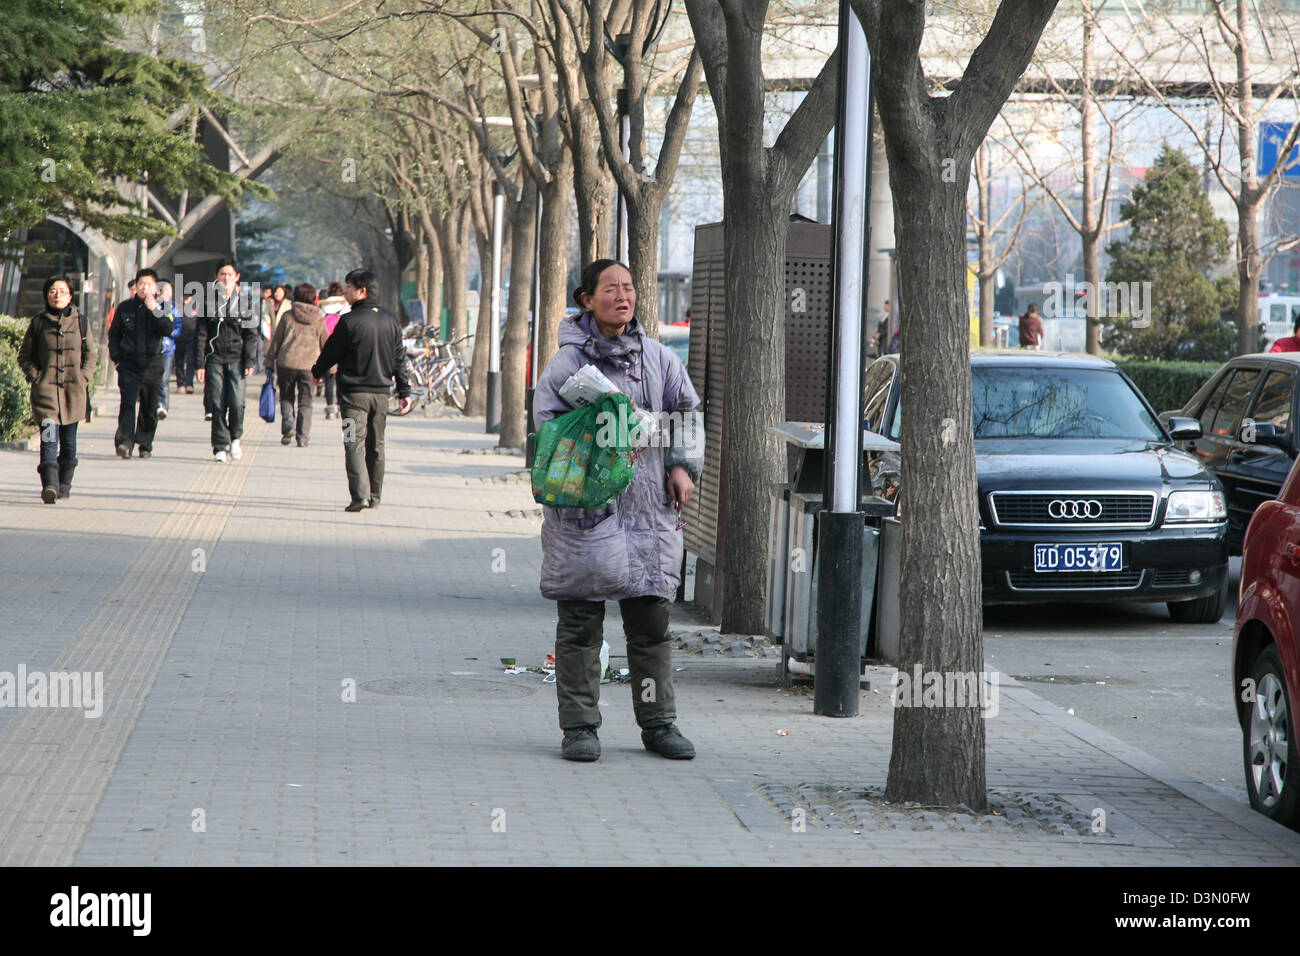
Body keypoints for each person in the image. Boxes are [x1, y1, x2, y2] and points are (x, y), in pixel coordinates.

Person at [532, 259, 704, 763]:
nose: (622, 296)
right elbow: (547, 438)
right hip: (587, 516)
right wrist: (600, 443)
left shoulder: (658, 358)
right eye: (611, 289)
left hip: (650, 512)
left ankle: (658, 724)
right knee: (581, 627)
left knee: (651, 626)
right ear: (587, 299)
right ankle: (580, 727)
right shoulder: (565, 366)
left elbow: (686, 413)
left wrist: (682, 467)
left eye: (629, 287)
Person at [310, 269, 412, 511]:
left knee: (352, 443)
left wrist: (317, 372)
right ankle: (375, 497)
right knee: (377, 445)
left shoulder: (349, 321)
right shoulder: (391, 321)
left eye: (349, 287)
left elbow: (330, 353)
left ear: (362, 290)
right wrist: (405, 390)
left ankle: (359, 497)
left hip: (352, 395)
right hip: (381, 395)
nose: (346, 291)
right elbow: (400, 359)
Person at [17, 276, 96, 501]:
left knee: (69, 444)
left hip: (74, 394)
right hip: (47, 396)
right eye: (53, 290)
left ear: (70, 295)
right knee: (49, 439)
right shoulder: (38, 323)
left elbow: (91, 354)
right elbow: (24, 355)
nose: (57, 294)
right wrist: (36, 377)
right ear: (46, 295)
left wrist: (84, 376)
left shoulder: (82, 322)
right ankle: (49, 486)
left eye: (62, 290)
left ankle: (64, 485)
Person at [107, 268, 173, 459]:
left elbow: (167, 329)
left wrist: (154, 309)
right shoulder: (125, 307)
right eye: (141, 284)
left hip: (152, 364)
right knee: (127, 404)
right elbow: (114, 334)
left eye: (149, 284)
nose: (145, 287)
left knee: (149, 406)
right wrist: (117, 358)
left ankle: (145, 443)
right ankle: (124, 442)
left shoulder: (161, 307)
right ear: (135, 286)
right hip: (128, 364)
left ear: (156, 288)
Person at [196, 259, 258, 463]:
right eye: (222, 274)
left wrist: (250, 362)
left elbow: (251, 335)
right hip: (214, 359)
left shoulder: (246, 303)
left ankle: (236, 438)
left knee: (238, 403)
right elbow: (201, 335)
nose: (226, 278)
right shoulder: (208, 302)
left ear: (237, 277)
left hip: (237, 359)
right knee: (216, 402)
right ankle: (219, 446)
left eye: (229, 274)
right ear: (216, 278)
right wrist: (199, 364)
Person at [267, 282, 329, 447]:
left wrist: (268, 361)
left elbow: (276, 342)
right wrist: (332, 366)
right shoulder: (319, 319)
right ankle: (303, 437)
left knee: (287, 397)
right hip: (310, 366)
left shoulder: (288, 316)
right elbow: (326, 344)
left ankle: (288, 427)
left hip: (286, 364)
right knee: (306, 401)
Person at [317, 280, 349, 419]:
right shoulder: (346, 305)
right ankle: (341, 406)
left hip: (326, 345)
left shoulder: (322, 306)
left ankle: (330, 408)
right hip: (342, 345)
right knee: (341, 378)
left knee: (329, 378)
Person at [155, 280, 182, 421]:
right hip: (153, 349)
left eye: (170, 293)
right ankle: (155, 405)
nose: (169, 296)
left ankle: (163, 405)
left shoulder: (173, 310)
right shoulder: (152, 308)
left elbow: (178, 327)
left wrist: (172, 333)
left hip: (167, 350)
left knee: (164, 379)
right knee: (154, 379)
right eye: (167, 292)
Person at [176, 290, 199, 394]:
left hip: (192, 338)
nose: (186, 300)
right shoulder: (176, 308)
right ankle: (180, 383)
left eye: (188, 298)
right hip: (179, 338)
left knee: (190, 362)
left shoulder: (196, 307)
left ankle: (189, 384)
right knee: (179, 361)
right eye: (184, 297)